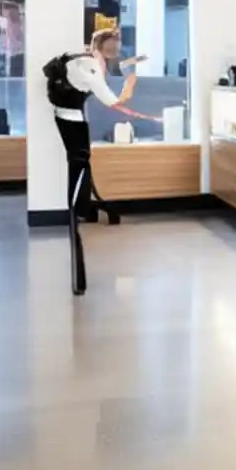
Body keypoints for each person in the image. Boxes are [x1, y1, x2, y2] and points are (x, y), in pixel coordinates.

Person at [46, 28, 151, 296]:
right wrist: (128, 90)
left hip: (64, 116)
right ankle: (76, 214)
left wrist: (134, 62)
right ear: (102, 47)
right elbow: (110, 99)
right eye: (113, 48)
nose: (116, 53)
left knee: (81, 165)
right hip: (73, 122)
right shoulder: (91, 67)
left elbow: (115, 68)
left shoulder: (81, 58)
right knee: (79, 165)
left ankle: (85, 207)